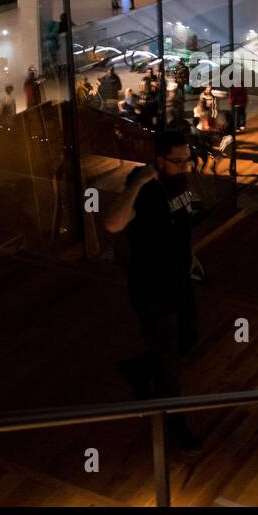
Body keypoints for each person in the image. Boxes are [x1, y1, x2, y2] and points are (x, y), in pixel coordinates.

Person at [102, 131, 204, 451]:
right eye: (177, 161)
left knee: (188, 336)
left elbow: (180, 224)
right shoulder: (144, 188)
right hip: (152, 289)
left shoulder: (179, 183)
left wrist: (191, 255)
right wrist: (138, 183)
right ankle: (176, 428)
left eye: (188, 158)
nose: (185, 165)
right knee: (168, 367)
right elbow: (112, 224)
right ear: (159, 160)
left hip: (179, 281)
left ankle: (136, 368)